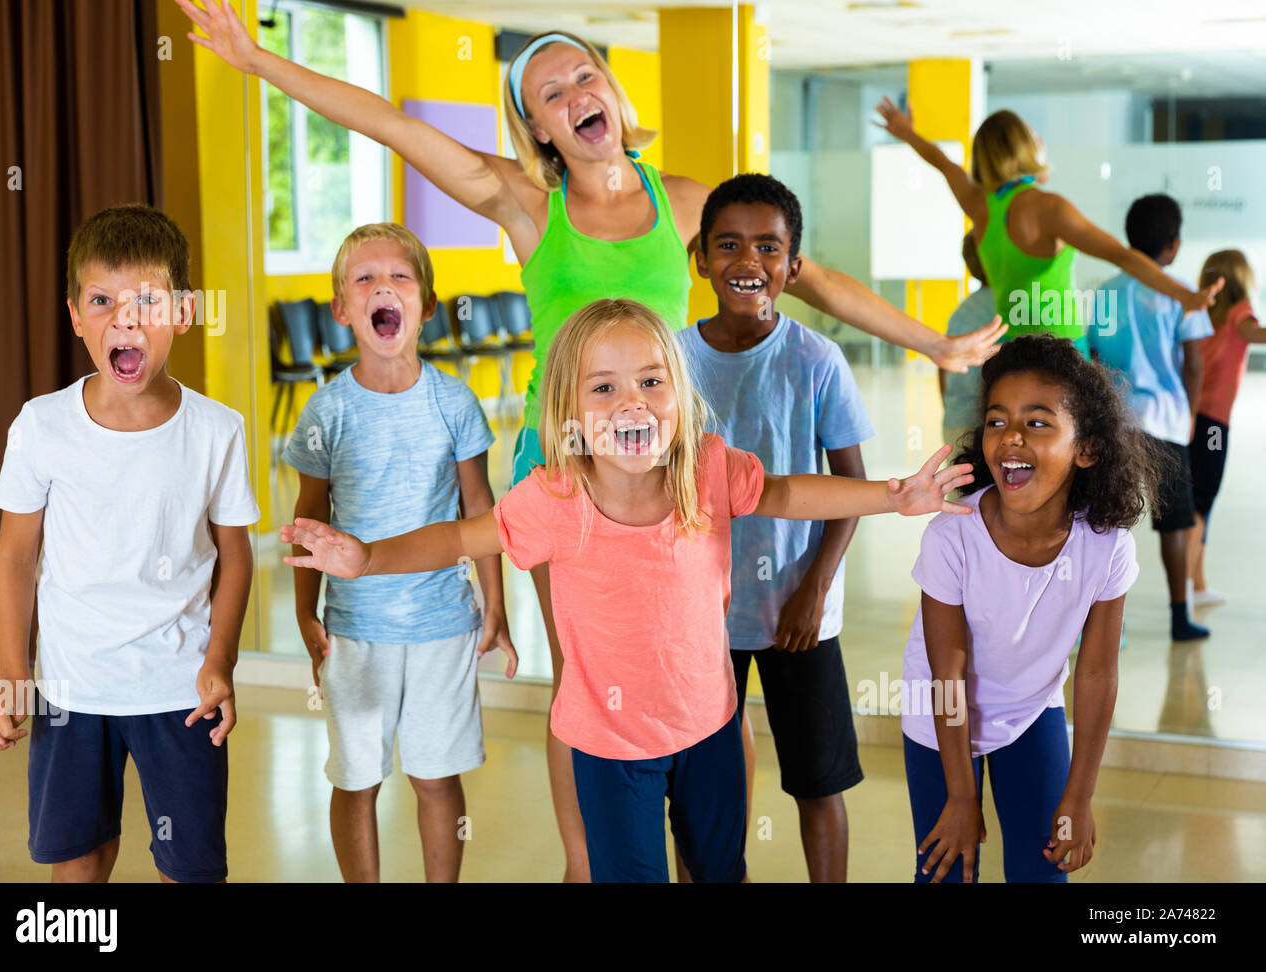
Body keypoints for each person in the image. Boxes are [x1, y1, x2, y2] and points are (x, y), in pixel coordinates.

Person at [177, 0, 1006, 880]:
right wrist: (258, 63)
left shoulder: (681, 200)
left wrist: (934, 342)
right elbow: (389, 125)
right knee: (586, 675)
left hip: (672, 460)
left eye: (584, 74)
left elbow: (809, 276)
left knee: (698, 661)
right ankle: (588, 860)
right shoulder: (526, 202)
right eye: (550, 92)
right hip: (568, 469)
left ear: (610, 90)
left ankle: (705, 852)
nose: (575, 92)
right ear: (537, 127)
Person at [282, 297, 976, 883]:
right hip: (609, 749)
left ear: (679, 391)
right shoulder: (553, 496)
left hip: (709, 730)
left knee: (717, 869)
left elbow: (790, 493)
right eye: (604, 387)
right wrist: (366, 556)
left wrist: (895, 495)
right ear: (570, 410)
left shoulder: (707, 468)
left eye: (650, 381)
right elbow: (461, 538)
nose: (631, 403)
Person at [0, 204, 259, 883]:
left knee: (190, 865)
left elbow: (237, 555)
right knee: (78, 858)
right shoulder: (42, 425)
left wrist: (219, 660)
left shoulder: (217, 429)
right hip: (73, 686)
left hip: (180, 685)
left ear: (184, 312)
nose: (125, 319)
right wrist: (16, 675)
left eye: (146, 300)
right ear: (76, 315)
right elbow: (15, 554)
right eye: (102, 300)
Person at [282, 223, 517, 882]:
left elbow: (481, 509)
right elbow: (309, 519)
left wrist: (495, 605)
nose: (382, 287)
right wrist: (307, 616)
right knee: (355, 782)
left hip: (443, 625)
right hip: (355, 631)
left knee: (436, 780)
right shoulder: (326, 412)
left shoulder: (455, 401)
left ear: (427, 305)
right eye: (364, 279)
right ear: (341, 310)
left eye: (400, 278)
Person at [903, 335, 1163, 883]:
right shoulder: (953, 535)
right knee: (948, 868)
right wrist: (960, 794)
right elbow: (946, 673)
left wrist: (1080, 796)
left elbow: (1096, 672)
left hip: (1030, 712)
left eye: (1038, 423)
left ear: (1086, 448)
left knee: (1043, 870)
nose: (1011, 438)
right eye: (997, 422)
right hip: (940, 721)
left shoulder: (1107, 545)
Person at [678, 173, 872, 882]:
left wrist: (815, 589)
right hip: (699, 613)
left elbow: (851, 488)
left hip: (798, 609)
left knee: (819, 783)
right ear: (700, 257)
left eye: (768, 247)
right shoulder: (667, 362)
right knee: (700, 787)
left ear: (793, 265)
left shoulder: (816, 360)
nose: (747, 262)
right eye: (728, 244)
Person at [875, 101, 1222, 353]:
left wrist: (907, 133)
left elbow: (943, 163)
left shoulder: (978, 204)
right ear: (1024, 148)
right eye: (1034, 135)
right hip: (1063, 349)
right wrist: (1185, 295)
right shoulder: (1048, 208)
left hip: (1011, 350)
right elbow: (1122, 256)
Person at [1090, 194, 1212, 641]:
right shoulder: (1180, 294)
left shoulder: (1105, 292)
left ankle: (1106, 627)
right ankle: (1180, 617)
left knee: (1108, 519)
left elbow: (1097, 360)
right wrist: (1192, 416)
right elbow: (1194, 364)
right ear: (1174, 246)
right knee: (1175, 522)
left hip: (1118, 422)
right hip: (1167, 423)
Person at [1188, 249, 1266, 605]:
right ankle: (1187, 589)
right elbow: (1256, 333)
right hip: (1215, 425)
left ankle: (1198, 585)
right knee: (1203, 502)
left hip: (1191, 420)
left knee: (1200, 501)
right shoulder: (1239, 314)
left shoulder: (1201, 313)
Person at [941, 233, 998, 450]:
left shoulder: (961, 312)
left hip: (955, 422)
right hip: (986, 427)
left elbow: (944, 371)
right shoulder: (1012, 308)